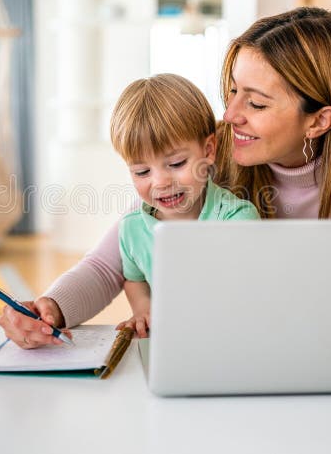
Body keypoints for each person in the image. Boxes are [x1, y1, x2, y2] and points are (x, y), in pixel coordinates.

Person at [0, 6, 331, 351]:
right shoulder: (209, 153)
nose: (230, 114)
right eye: (232, 90)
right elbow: (111, 260)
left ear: (320, 120)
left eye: (256, 103)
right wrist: (52, 307)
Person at [109, 74, 259, 338]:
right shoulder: (132, 228)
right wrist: (143, 309)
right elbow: (135, 278)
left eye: (176, 164)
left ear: (208, 150)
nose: (160, 182)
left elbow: (251, 291)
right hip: (174, 342)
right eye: (142, 171)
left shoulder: (237, 218)